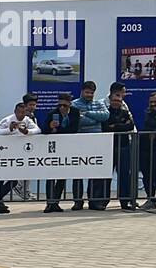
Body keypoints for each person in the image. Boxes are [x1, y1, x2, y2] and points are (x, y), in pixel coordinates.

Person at [0, 102, 40, 213]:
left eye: (23, 112)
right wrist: (9, 130)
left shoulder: (27, 120)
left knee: (14, 180)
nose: (21, 114)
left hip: (19, 154)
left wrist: (27, 131)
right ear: (15, 111)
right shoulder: (8, 119)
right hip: (5, 153)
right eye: (19, 112)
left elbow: (37, 130)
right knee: (0, 178)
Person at [42, 92, 82, 213]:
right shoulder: (53, 113)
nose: (62, 108)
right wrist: (50, 127)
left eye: (65, 105)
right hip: (55, 148)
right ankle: (50, 202)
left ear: (70, 104)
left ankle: (56, 202)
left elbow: (74, 129)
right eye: (60, 105)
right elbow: (44, 130)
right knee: (51, 176)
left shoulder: (75, 112)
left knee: (62, 177)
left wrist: (59, 129)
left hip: (70, 147)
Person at [72, 81, 110, 210]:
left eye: (91, 93)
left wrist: (87, 113)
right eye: (87, 92)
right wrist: (95, 119)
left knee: (95, 172)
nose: (89, 95)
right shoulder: (74, 104)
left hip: (97, 142)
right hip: (80, 142)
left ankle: (94, 201)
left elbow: (105, 116)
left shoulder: (99, 103)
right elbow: (78, 120)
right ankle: (78, 201)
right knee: (78, 173)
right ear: (82, 91)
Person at [101, 82, 137, 211]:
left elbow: (130, 125)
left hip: (124, 146)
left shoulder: (125, 111)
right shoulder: (105, 111)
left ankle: (125, 201)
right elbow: (106, 127)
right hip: (108, 147)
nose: (116, 102)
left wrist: (115, 126)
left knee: (124, 175)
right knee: (106, 175)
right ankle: (103, 201)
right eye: (114, 100)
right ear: (110, 100)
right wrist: (121, 125)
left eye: (119, 100)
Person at [13, 94, 41, 201]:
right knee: (23, 168)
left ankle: (25, 189)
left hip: (30, 146)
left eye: (34, 105)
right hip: (20, 146)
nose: (32, 107)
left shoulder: (33, 116)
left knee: (29, 169)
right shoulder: (21, 117)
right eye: (30, 105)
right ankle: (21, 187)